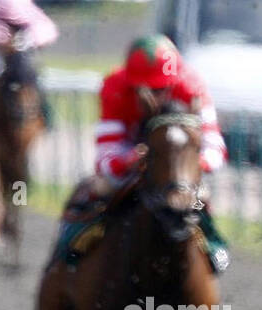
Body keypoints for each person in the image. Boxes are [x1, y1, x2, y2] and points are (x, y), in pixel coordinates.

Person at [50, 35, 229, 272]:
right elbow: (105, 158)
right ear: (134, 84)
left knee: (200, 196)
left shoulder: (192, 87)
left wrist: (195, 163)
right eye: (150, 90)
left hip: (176, 166)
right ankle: (68, 249)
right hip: (131, 155)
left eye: (163, 88)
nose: (158, 96)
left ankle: (213, 247)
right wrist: (130, 159)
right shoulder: (115, 87)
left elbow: (215, 147)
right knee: (100, 187)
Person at [0, 0, 55, 75]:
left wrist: (36, 40)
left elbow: (41, 26)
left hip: (19, 47)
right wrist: (1, 39)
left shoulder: (24, 5)